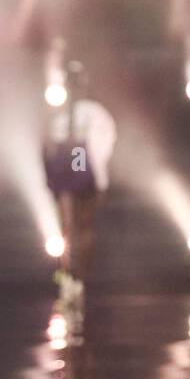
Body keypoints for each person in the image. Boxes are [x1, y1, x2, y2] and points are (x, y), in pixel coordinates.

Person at [44, 61, 116, 308]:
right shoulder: (61, 115)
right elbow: (52, 147)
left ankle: (79, 275)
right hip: (67, 171)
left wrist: (98, 175)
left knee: (83, 224)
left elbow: (102, 145)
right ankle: (68, 275)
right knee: (68, 225)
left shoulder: (95, 113)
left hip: (85, 170)